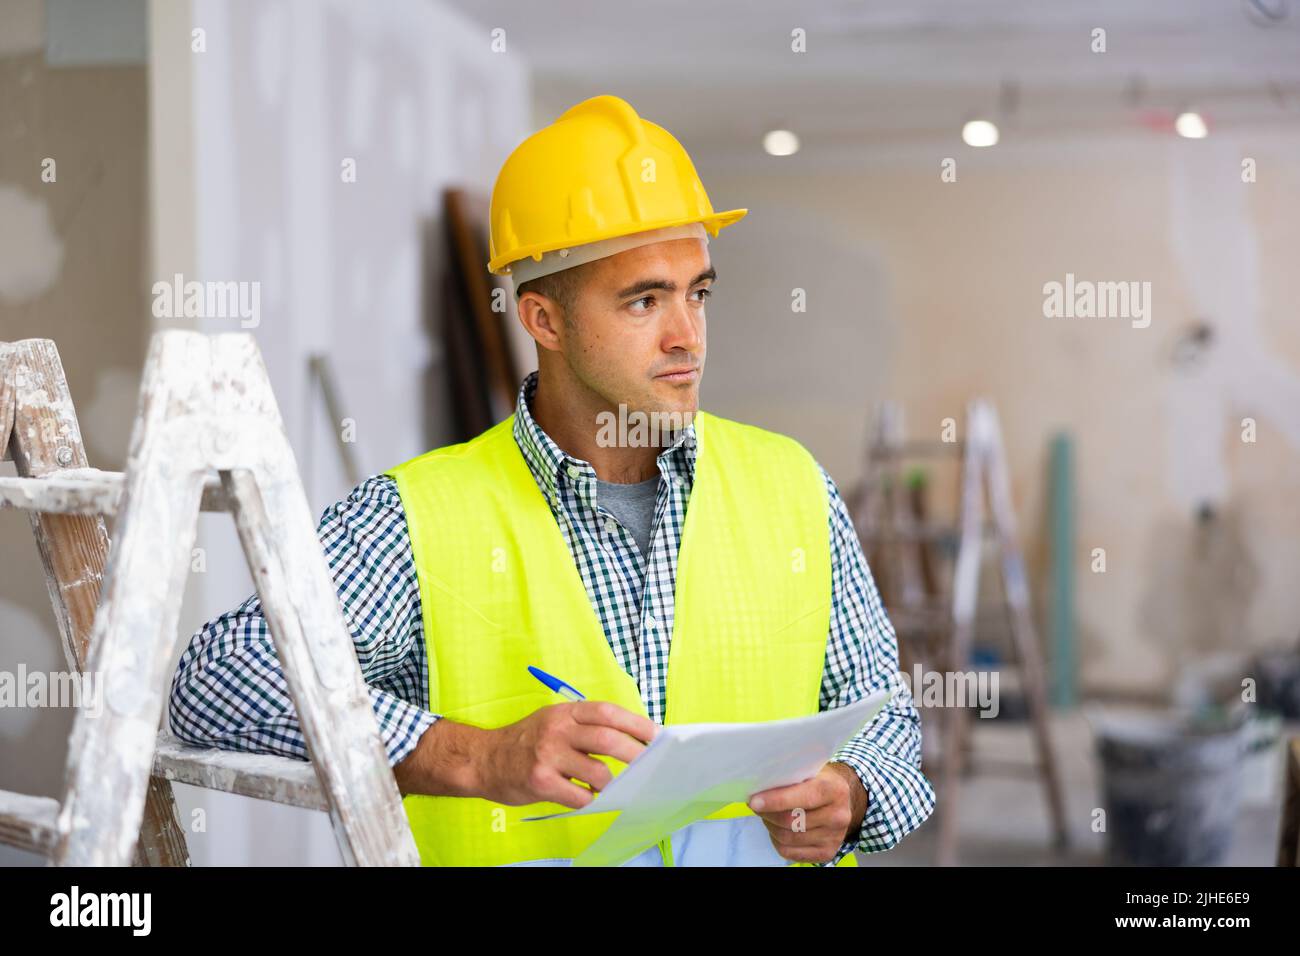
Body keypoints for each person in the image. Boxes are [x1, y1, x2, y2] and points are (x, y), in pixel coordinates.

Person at [170, 94, 934, 866]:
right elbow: (213, 687)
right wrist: (472, 756)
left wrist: (853, 791)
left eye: (697, 292)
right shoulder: (416, 517)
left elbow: (890, 732)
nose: (687, 338)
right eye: (644, 300)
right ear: (544, 322)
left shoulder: (792, 486)